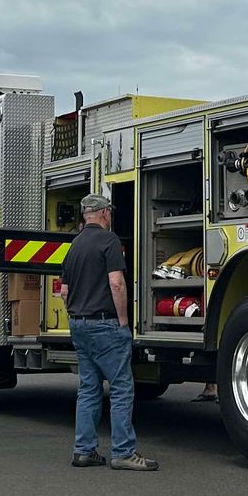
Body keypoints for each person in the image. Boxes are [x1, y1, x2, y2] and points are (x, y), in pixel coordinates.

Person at [59, 192, 156, 471]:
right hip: (105, 324)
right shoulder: (109, 240)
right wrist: (123, 320)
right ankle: (123, 452)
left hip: (79, 324)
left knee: (88, 388)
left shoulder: (74, 245)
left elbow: (64, 291)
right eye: (109, 212)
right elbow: (116, 283)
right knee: (122, 387)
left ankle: (84, 450)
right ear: (103, 214)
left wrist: (78, 315)